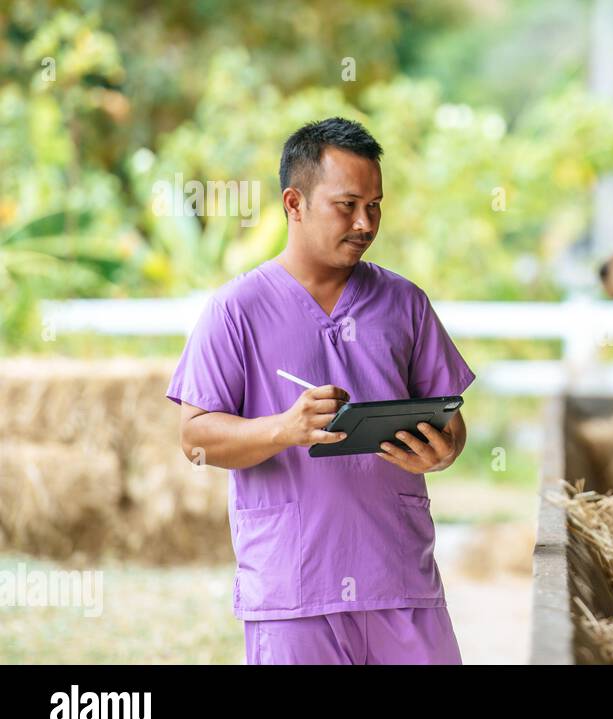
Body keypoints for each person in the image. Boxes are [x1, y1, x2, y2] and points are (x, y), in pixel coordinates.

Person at [166, 117, 475, 664]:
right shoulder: (236, 311)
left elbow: (451, 424)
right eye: (348, 204)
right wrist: (284, 430)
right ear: (294, 202)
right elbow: (195, 439)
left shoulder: (406, 304)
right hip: (292, 594)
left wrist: (443, 449)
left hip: (402, 582)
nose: (365, 222)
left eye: (375, 205)